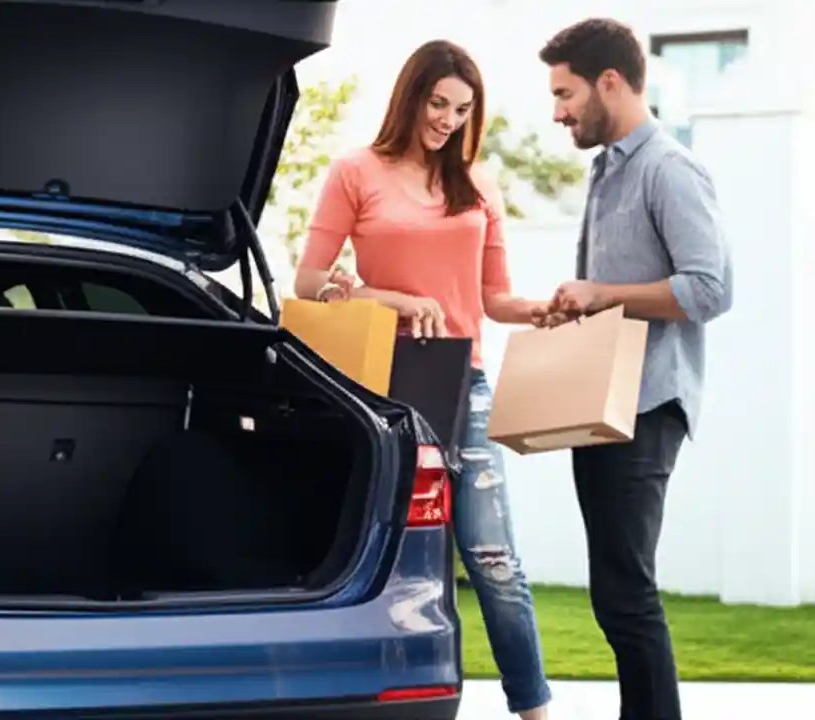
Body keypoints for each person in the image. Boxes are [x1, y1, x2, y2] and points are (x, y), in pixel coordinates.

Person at [293, 39, 554, 720]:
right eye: (438, 103)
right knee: (409, 563)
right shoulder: (357, 172)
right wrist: (393, 300)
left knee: (494, 559)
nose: (447, 120)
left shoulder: (478, 183)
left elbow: (495, 299)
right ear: (412, 97)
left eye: (462, 110)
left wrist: (544, 310)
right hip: (378, 389)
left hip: (461, 381)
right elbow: (310, 281)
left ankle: (535, 709)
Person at [536, 17, 735, 720]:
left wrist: (605, 295)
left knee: (627, 593)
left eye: (565, 94)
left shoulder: (669, 169)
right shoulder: (606, 170)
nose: (558, 111)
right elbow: (610, 293)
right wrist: (577, 305)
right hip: (604, 399)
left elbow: (711, 290)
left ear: (610, 82)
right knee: (613, 594)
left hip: (649, 403)